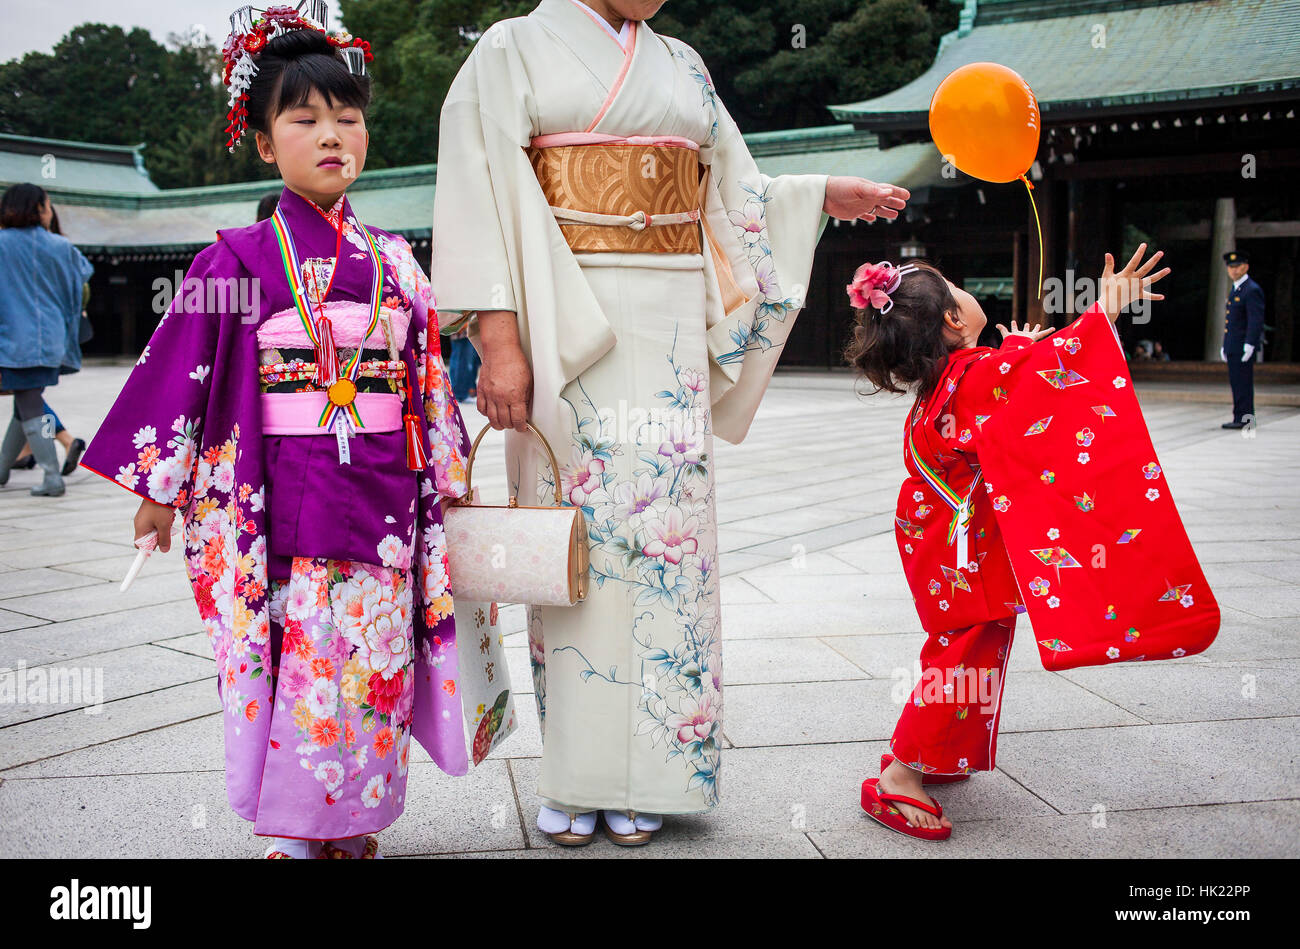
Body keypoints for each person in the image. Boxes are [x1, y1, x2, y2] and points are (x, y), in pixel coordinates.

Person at [431, 0, 910, 846]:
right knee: (576, 546)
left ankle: (652, 770)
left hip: (671, 330)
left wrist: (820, 194)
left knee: (664, 549)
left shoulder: (682, 63)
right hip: (563, 325)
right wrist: (497, 338)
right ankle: (575, 774)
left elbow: (738, 190)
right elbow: (476, 193)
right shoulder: (512, 48)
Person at [79, 7, 481, 859]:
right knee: (299, 662)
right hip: (278, 494)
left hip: (380, 490)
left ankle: (358, 818)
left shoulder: (398, 261)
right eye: (304, 120)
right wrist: (162, 491)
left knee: (371, 654)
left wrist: (445, 465)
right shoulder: (238, 260)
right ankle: (297, 828)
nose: (332, 135)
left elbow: (427, 374)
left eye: (348, 116)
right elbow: (182, 370)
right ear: (265, 144)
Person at [843, 246, 1219, 840]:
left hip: (940, 533)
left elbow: (1004, 395)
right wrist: (1106, 309)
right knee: (966, 648)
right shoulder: (975, 375)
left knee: (963, 640)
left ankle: (937, 748)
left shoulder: (954, 375)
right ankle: (900, 775)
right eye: (957, 287)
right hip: (961, 541)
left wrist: (1016, 351)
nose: (967, 293)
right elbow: (1042, 376)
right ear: (954, 321)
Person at [0, 183, 93, 496]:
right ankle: (1, 469)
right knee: (26, 403)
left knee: (29, 403)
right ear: (38, 209)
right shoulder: (61, 247)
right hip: (52, 339)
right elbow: (83, 274)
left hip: (13, 340)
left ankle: (52, 477)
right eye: (48, 205)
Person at [1219, 249, 1264, 430]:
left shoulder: (1251, 289)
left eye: (1237, 266)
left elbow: (1255, 319)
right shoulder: (1236, 288)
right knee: (1237, 383)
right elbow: (1230, 321)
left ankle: (1245, 419)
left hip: (1243, 345)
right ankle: (1241, 416)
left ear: (1245, 267)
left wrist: (1250, 343)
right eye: (1231, 267)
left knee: (1243, 383)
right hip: (1233, 345)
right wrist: (1225, 345)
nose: (1233, 270)